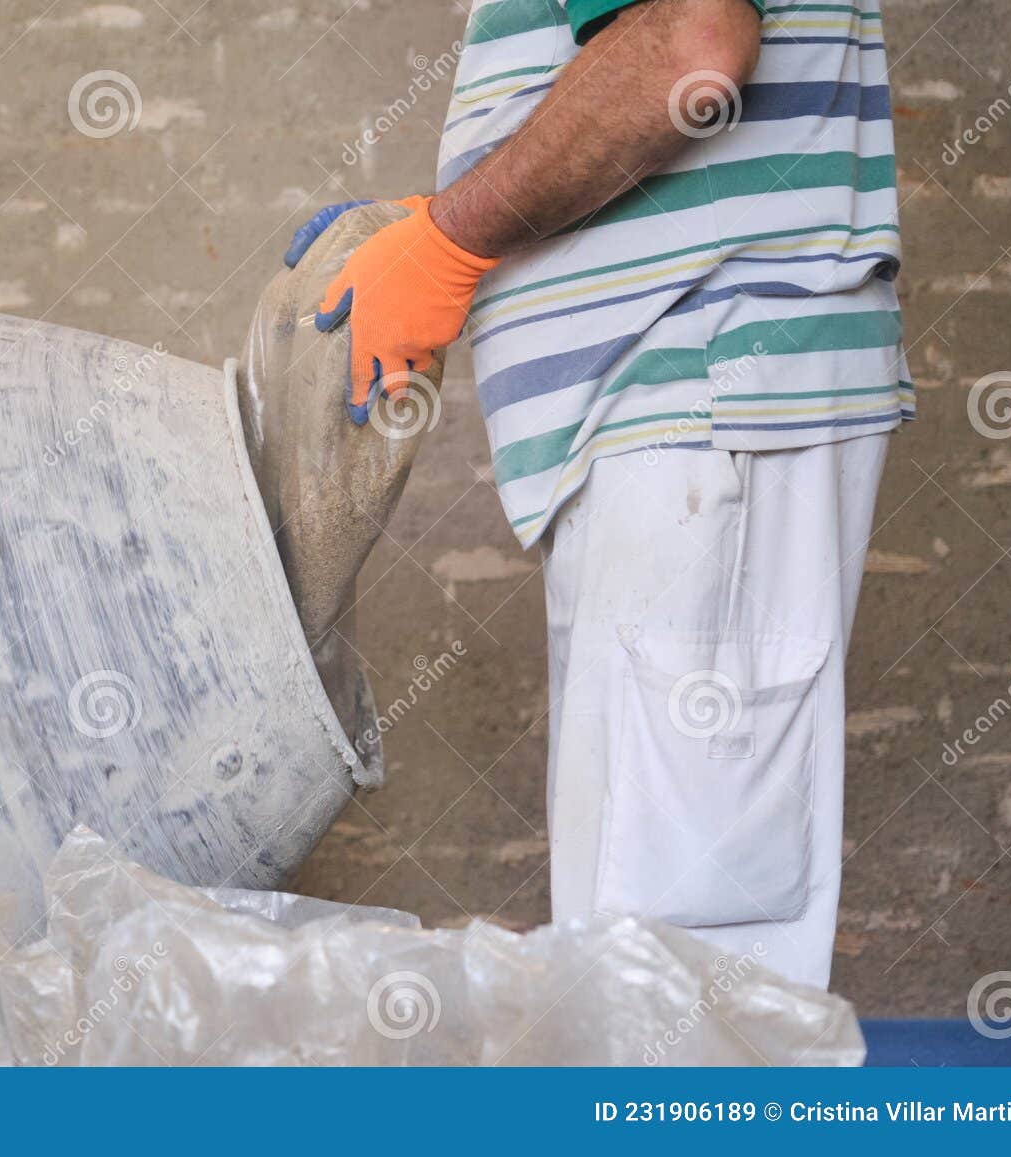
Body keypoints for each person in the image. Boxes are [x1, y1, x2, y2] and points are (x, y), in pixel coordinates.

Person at [283, 0, 909, 988]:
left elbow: (689, 51)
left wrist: (454, 238)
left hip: (702, 392)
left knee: (677, 978)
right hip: (679, 413)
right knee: (641, 952)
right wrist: (457, 217)